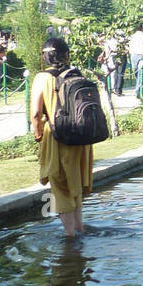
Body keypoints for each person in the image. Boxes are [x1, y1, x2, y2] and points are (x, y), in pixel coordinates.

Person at [31, 37, 94, 239]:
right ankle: (79, 228)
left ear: (45, 56)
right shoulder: (76, 74)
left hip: (58, 137)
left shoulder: (42, 78)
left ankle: (70, 237)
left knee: (60, 186)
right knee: (75, 183)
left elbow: (35, 114)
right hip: (81, 139)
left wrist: (38, 135)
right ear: (66, 55)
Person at [127, 23, 143, 95]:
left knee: (137, 72)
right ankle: (138, 90)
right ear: (142, 28)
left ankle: (139, 89)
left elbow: (128, 45)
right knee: (142, 73)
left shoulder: (131, 37)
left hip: (133, 55)